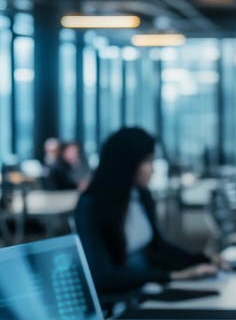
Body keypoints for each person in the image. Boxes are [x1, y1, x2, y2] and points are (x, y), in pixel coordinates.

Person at [73, 127, 220, 297]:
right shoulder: (92, 205)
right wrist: (171, 276)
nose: (153, 169)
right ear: (127, 163)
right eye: (148, 161)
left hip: (150, 289)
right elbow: (102, 276)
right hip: (124, 300)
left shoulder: (141, 195)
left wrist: (203, 260)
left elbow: (158, 248)